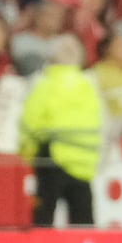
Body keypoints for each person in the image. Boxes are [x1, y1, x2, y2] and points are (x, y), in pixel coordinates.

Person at [18, 35, 102, 227]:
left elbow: (29, 123)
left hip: (51, 160)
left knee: (43, 219)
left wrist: (28, 154)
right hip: (83, 163)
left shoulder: (45, 85)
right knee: (83, 222)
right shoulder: (88, 86)